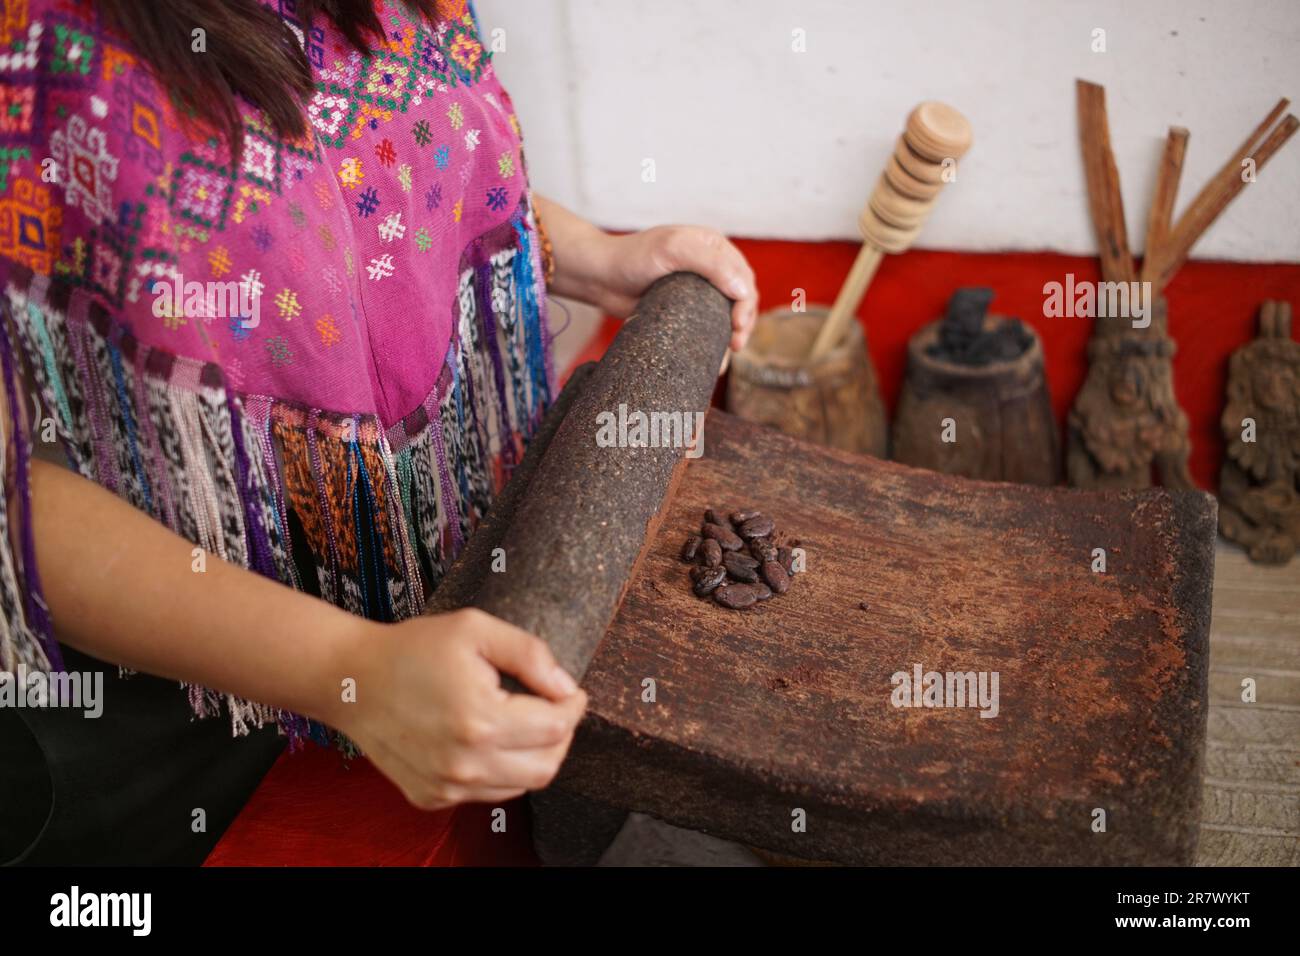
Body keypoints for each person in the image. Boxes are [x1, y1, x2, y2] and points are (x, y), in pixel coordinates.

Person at [0, 0, 757, 864]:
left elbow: (353, 179)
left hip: (421, 621)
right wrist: (348, 672)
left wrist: (589, 252)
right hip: (173, 715)